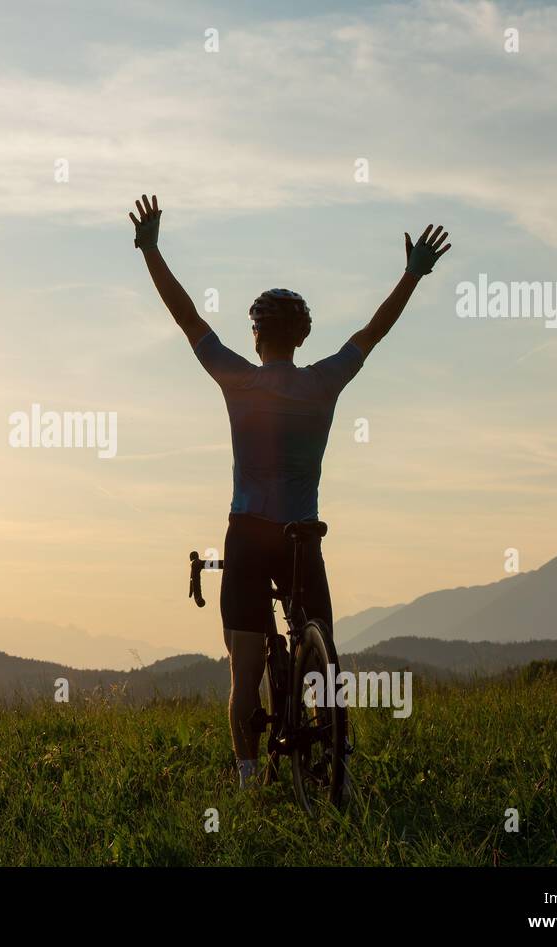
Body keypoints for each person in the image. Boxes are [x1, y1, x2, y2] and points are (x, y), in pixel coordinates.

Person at [129, 194, 451, 788]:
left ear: (256, 337)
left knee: (245, 669)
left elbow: (187, 319)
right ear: (301, 338)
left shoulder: (238, 381)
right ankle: (332, 748)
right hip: (303, 536)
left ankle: (250, 776)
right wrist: (411, 275)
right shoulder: (324, 382)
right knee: (321, 647)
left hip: (248, 534)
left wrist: (152, 251)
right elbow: (371, 333)